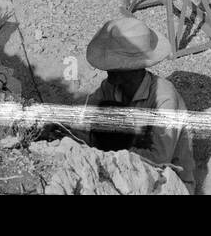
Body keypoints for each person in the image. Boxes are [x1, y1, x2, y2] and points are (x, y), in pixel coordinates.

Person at [84, 16, 196, 191]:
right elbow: (87, 118)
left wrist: (114, 151)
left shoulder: (164, 98)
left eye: (116, 65)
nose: (108, 70)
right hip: (123, 168)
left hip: (167, 181)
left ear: (134, 68)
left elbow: (160, 159)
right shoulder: (111, 87)